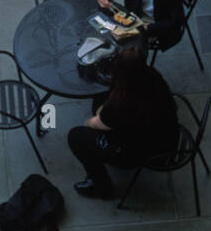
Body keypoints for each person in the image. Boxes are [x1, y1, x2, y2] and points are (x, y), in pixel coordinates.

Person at [67, 46, 178, 199]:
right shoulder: (153, 75)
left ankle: (101, 186)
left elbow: (93, 123)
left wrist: (101, 111)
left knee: (76, 136)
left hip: (137, 153)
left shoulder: (121, 104)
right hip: (165, 139)